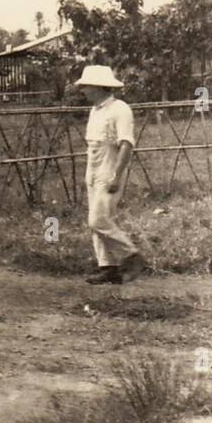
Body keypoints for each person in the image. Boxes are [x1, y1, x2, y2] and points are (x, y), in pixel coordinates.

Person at [77, 65, 147, 284]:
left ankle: (132, 255)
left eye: (86, 86)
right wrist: (89, 175)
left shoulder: (120, 109)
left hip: (110, 169)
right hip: (94, 169)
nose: (83, 90)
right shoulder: (95, 110)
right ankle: (108, 267)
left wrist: (116, 175)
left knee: (98, 220)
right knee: (97, 222)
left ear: (98, 87)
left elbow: (126, 144)